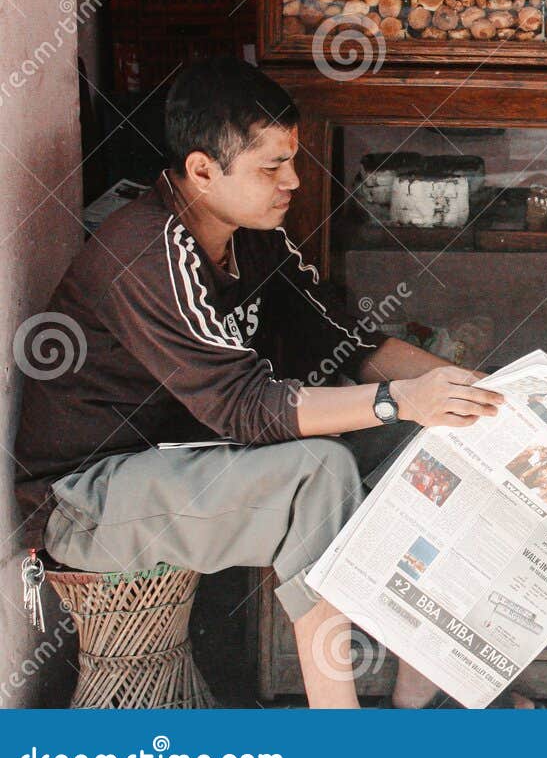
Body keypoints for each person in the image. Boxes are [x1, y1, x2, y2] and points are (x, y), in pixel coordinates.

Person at [11, 58, 506, 708]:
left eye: (292, 160)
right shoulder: (146, 249)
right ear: (201, 170)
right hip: (86, 496)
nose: (293, 181)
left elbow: (347, 343)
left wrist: (475, 391)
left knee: (431, 442)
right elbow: (245, 405)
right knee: (319, 471)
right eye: (271, 167)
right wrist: (396, 399)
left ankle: (418, 696)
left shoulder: (253, 238)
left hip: (184, 463)